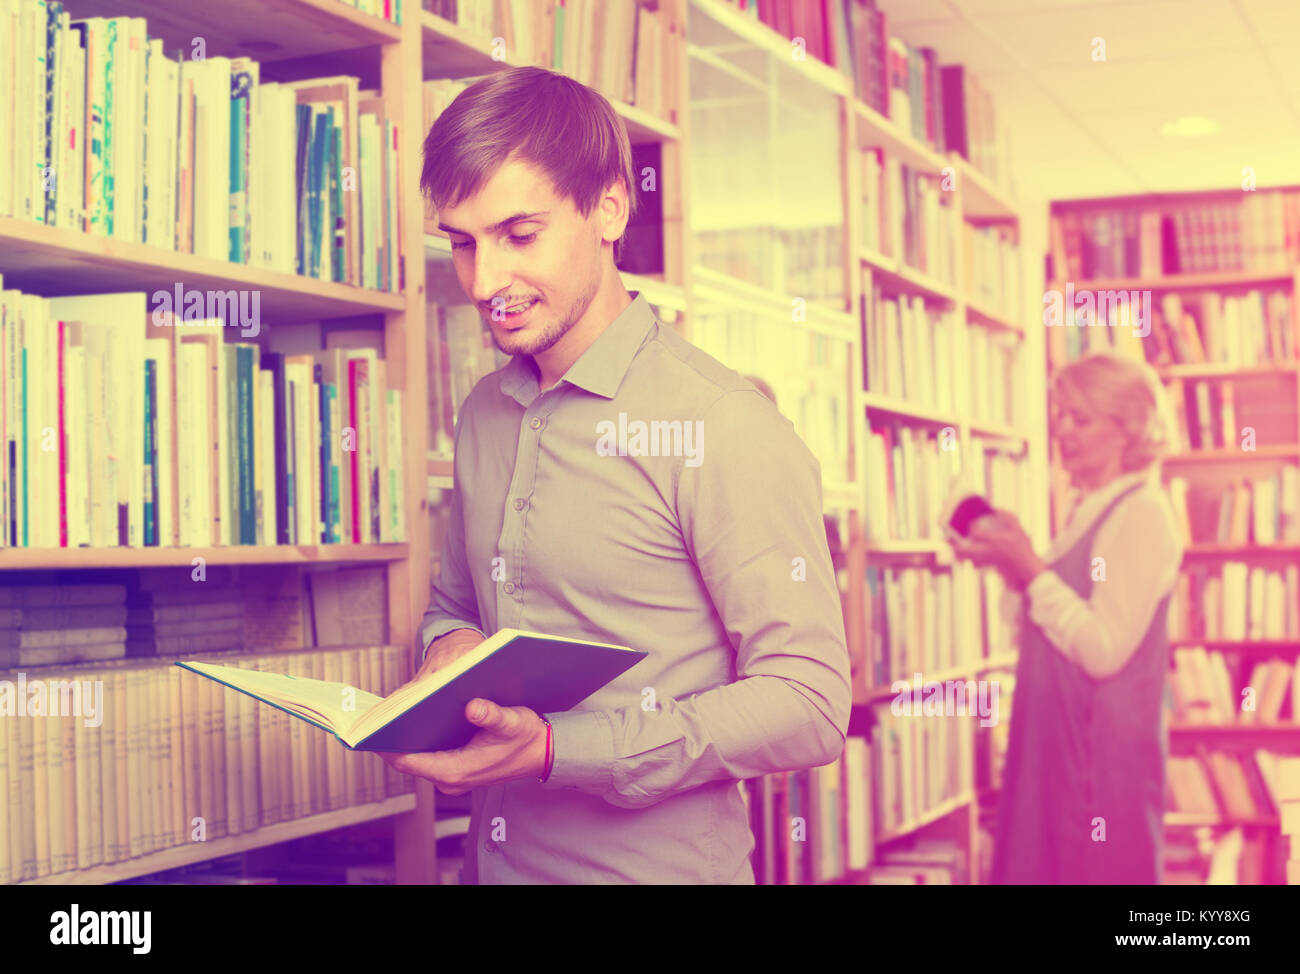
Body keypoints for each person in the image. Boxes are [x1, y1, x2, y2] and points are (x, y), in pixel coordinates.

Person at [384, 66, 852, 884]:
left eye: (518, 235)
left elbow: (810, 704)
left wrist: (562, 749)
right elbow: (458, 606)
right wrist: (451, 651)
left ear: (609, 207)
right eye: (461, 242)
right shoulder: (482, 415)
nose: (483, 283)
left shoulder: (722, 423)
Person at [947, 352, 1183, 884]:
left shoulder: (1142, 513)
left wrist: (1029, 568)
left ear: (1127, 430)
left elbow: (1102, 651)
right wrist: (1013, 563)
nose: (1062, 431)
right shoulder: (1088, 506)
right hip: (1056, 742)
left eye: (1081, 418)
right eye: (1060, 416)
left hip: (1095, 758)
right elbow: (1046, 621)